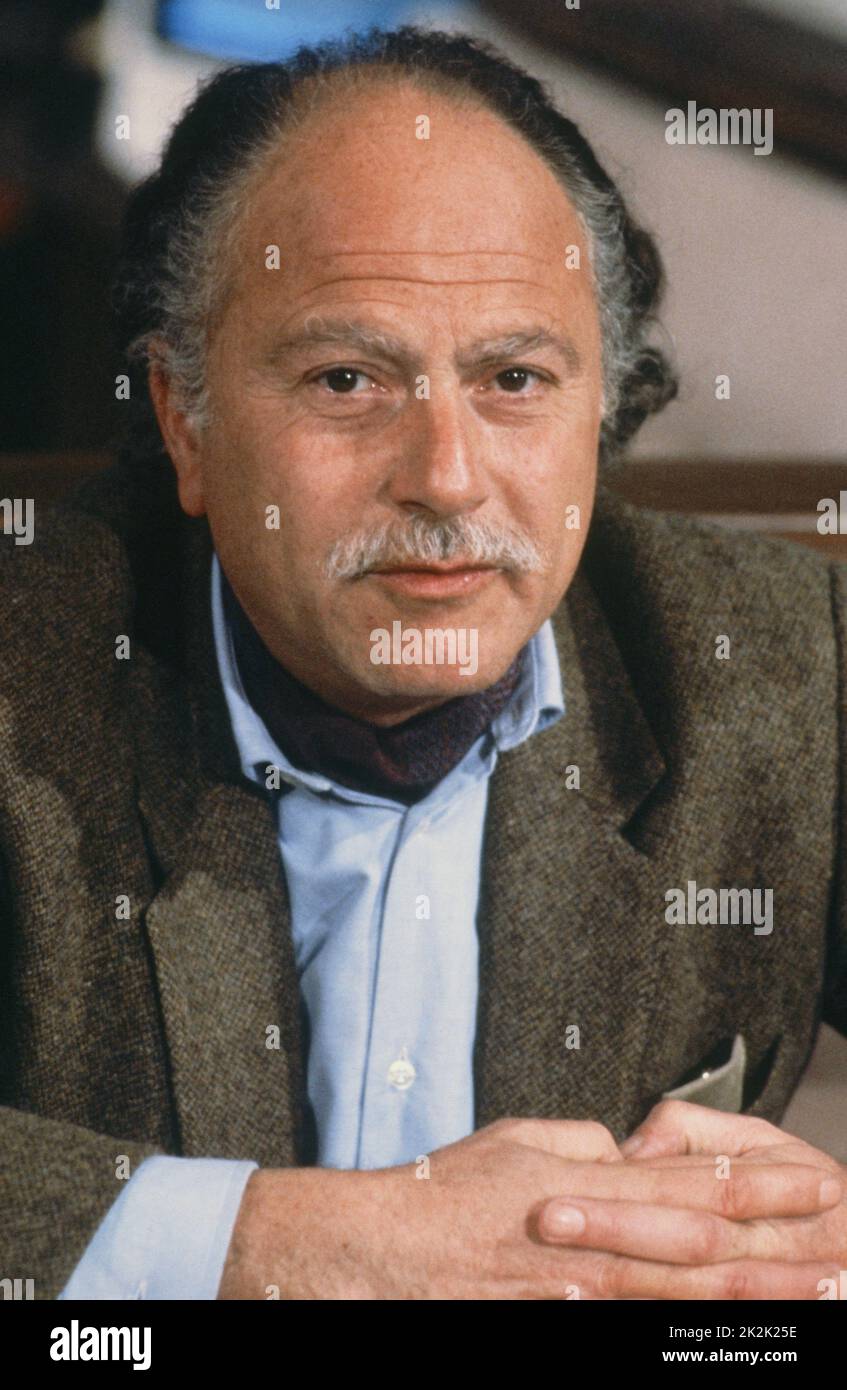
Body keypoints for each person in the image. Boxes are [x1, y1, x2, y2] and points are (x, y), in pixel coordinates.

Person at [1, 26, 845, 1302]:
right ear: (185, 418)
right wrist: (298, 1248)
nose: (446, 477)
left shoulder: (782, 668)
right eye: (346, 379)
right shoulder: (31, 675)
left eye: (514, 378)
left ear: (599, 406)